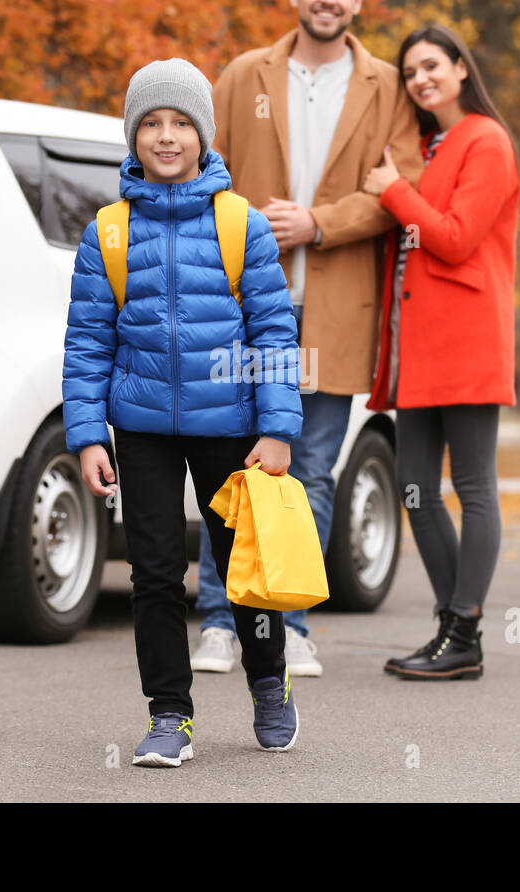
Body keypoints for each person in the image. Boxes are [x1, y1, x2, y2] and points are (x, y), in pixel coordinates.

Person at [192, 0, 424, 677]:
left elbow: (399, 190)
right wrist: (241, 223)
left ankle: (290, 626)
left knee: (312, 468)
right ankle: (220, 622)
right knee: (230, 461)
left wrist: (319, 223)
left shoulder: (386, 86)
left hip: (333, 306)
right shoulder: (241, 75)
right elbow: (204, 172)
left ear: (358, 2)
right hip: (242, 306)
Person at [63, 58, 304, 765]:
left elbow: (273, 333)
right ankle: (170, 713)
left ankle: (268, 681)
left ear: (203, 134)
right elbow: (86, 344)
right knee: (156, 574)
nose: (166, 138)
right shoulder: (106, 231)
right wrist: (87, 435)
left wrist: (277, 426)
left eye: (180, 124)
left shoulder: (242, 225)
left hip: (231, 430)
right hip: (140, 430)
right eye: (151, 125)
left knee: (242, 572)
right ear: (133, 137)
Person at [361, 23, 520, 680]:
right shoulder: (429, 145)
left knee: (473, 485)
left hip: (467, 337)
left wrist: (394, 191)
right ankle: (458, 630)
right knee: (416, 487)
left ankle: (462, 633)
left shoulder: (487, 141)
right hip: (416, 343)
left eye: (431, 65)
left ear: (460, 68)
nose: (420, 79)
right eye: (410, 72)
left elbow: (455, 239)